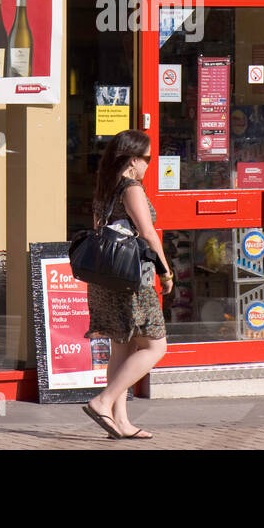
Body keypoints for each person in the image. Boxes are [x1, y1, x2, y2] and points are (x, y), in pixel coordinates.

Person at [82, 129, 173, 440]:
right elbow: (148, 234)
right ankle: (102, 402)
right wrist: (165, 270)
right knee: (156, 345)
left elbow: (99, 230)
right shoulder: (131, 188)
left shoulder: (105, 188)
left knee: (121, 348)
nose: (149, 165)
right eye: (147, 159)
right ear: (134, 160)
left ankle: (119, 422)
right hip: (131, 281)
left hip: (107, 279)